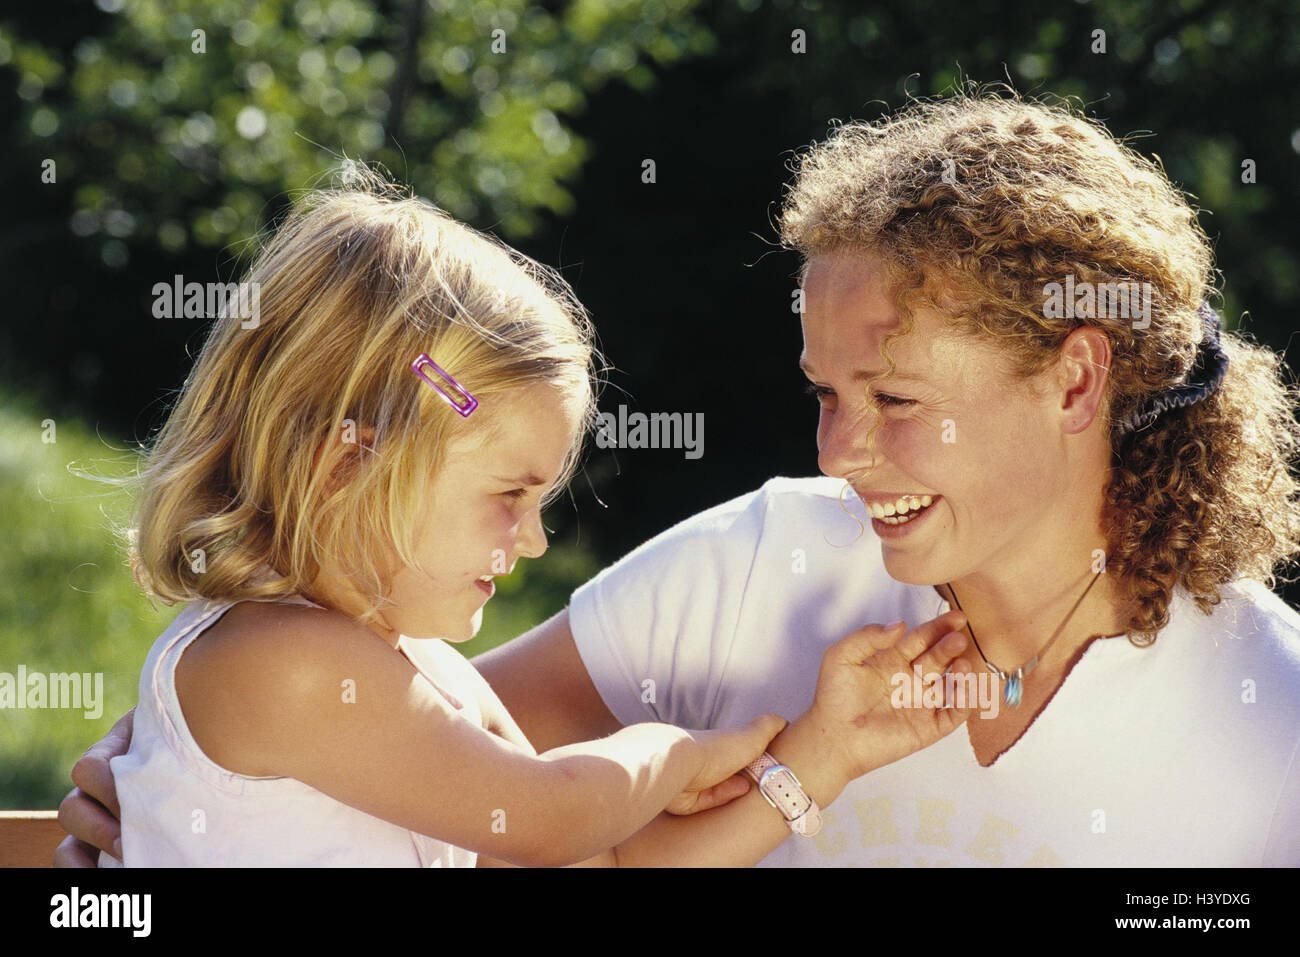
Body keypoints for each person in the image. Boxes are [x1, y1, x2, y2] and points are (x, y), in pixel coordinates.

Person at [59, 90, 1300, 867]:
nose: (838, 453)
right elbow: (396, 747)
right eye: (825, 396)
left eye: (896, 401)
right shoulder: (762, 565)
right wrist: (145, 777)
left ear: (1077, 383)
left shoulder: (1273, 722)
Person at [59, 171, 973, 868]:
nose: (533, 540)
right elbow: (549, 817)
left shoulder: (427, 676)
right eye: (508, 495)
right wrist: (667, 751)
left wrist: (815, 758)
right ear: (347, 462)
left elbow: (598, 859)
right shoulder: (279, 663)